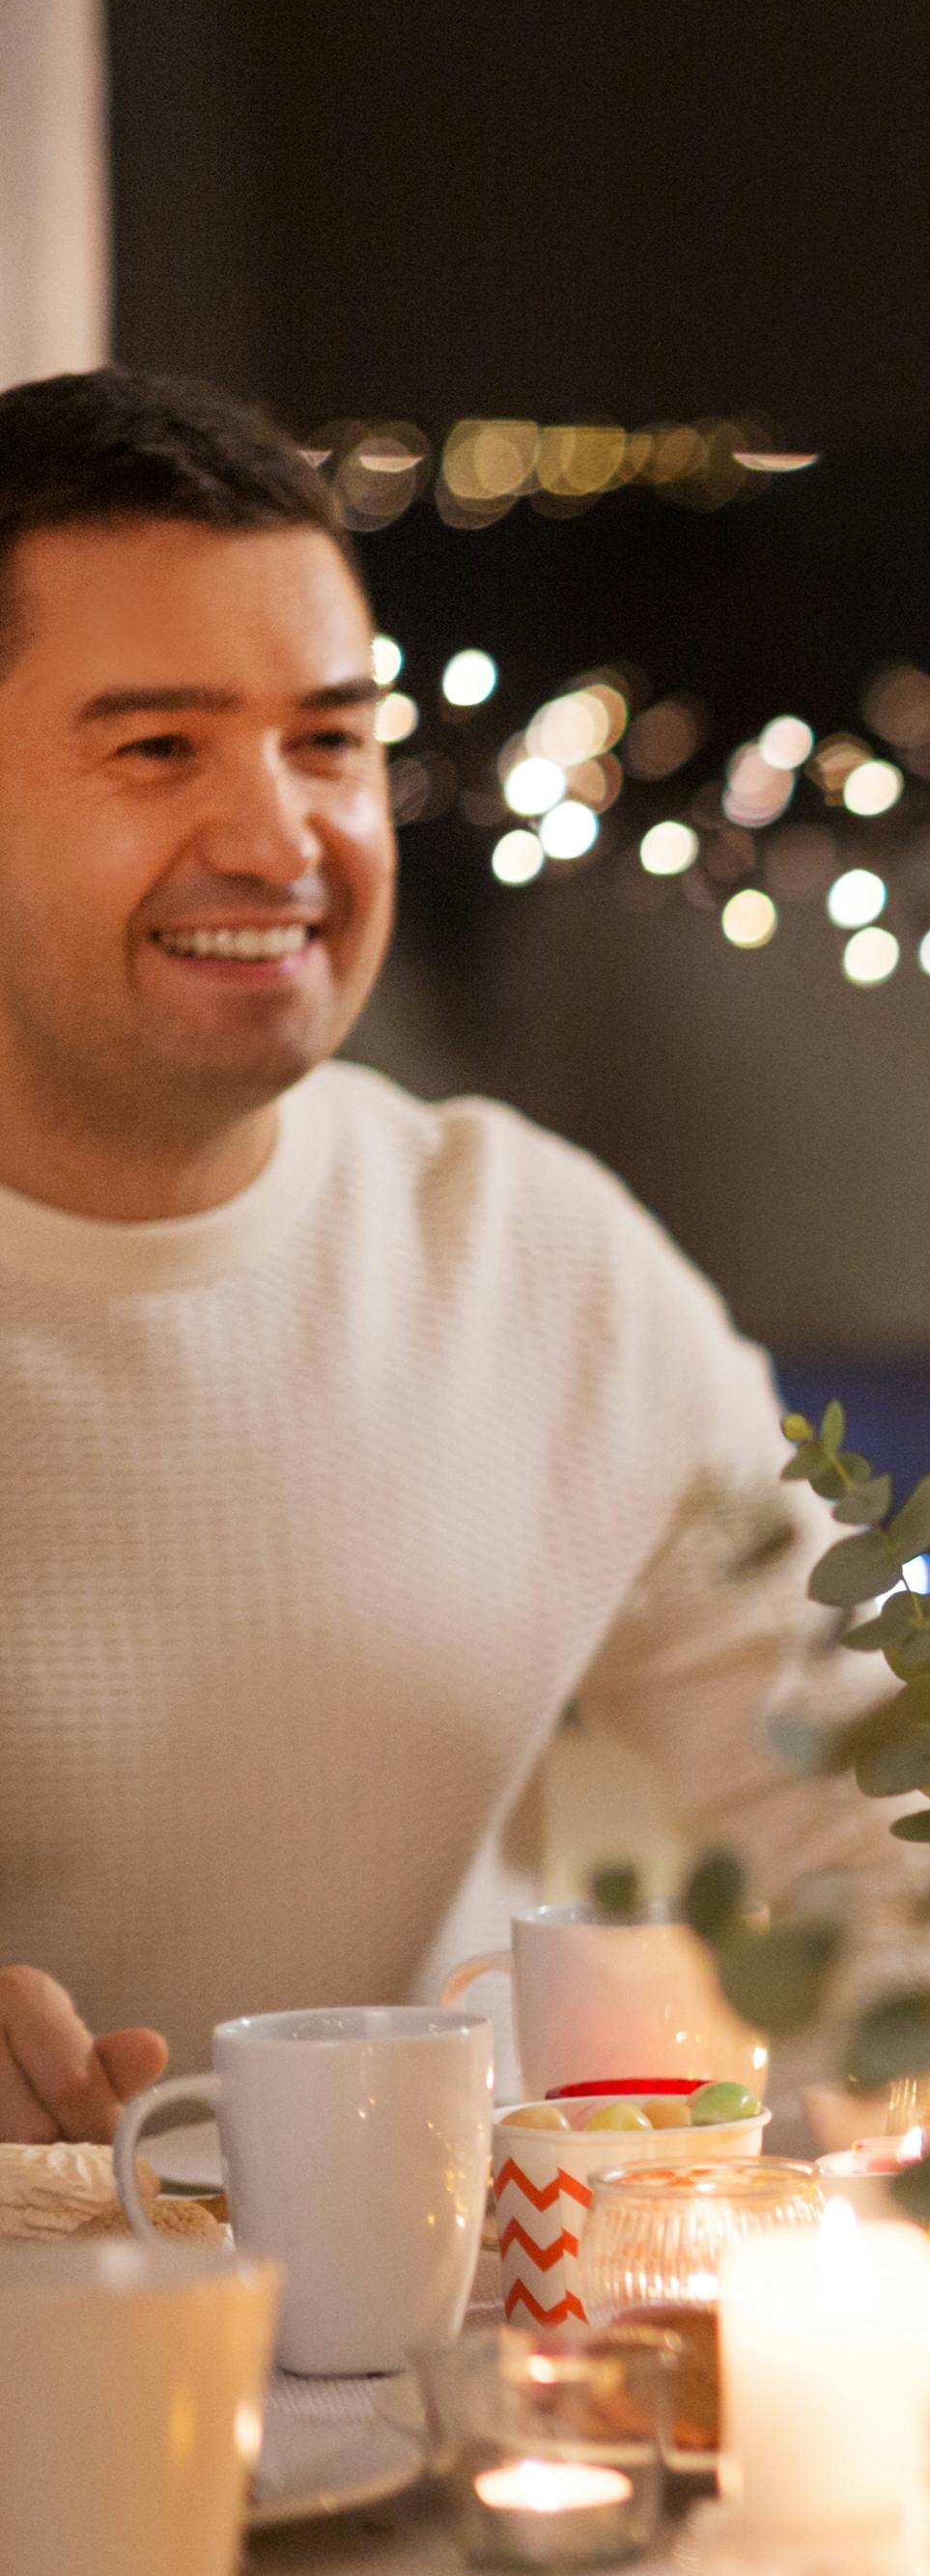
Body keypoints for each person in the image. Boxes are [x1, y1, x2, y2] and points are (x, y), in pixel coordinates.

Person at [0, 368, 882, 2140]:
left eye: (328, 740)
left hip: (434, 2358)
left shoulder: (523, 1255)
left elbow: (857, 1800)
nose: (284, 840)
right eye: (159, 746)